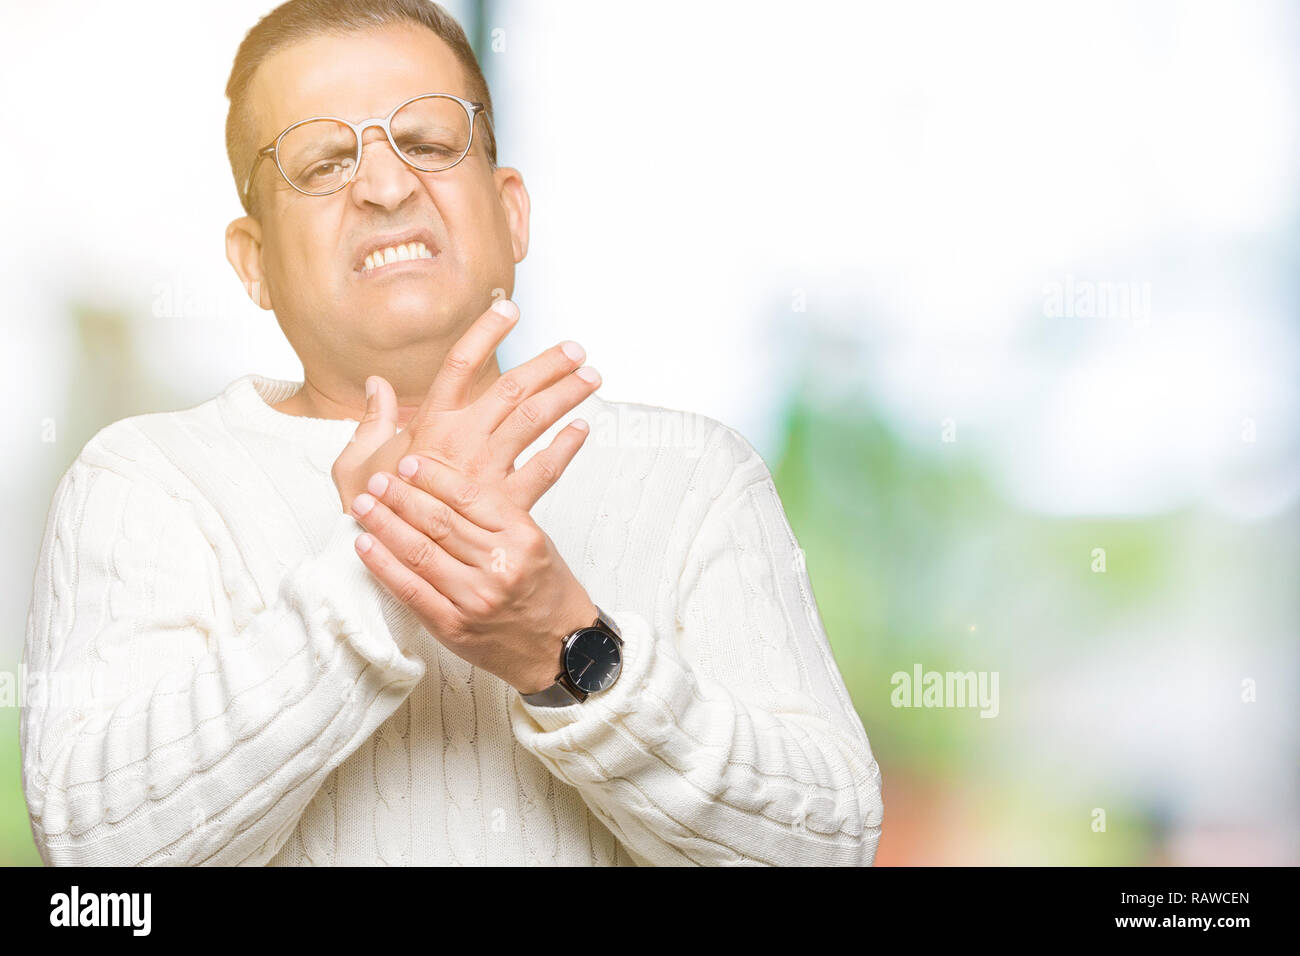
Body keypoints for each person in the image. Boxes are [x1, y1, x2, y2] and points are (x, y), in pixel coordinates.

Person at [19, 0, 884, 866]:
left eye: (429, 144)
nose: (387, 187)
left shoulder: (697, 475)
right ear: (255, 263)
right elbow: (97, 859)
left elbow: (832, 847)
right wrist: (391, 565)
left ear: (512, 214)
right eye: (323, 163)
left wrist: (567, 650)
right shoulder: (145, 481)